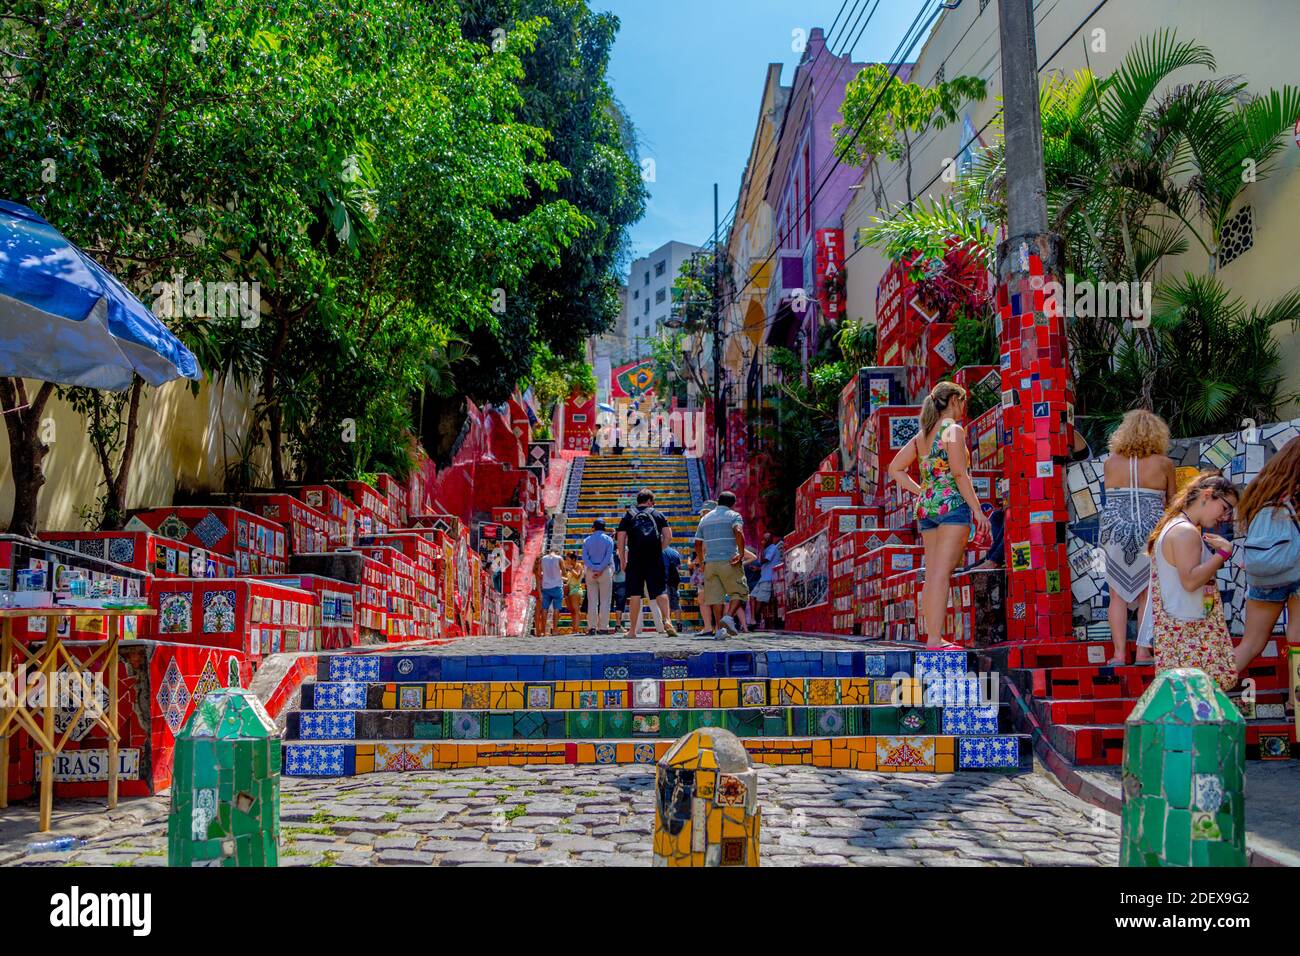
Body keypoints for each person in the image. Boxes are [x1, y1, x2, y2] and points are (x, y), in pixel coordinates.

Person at [887, 381, 990, 650]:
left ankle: (932, 637)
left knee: (933, 573)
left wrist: (921, 490)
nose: (964, 407)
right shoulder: (952, 431)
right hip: (952, 507)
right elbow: (959, 474)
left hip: (928, 508)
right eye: (963, 400)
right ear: (953, 400)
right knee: (942, 574)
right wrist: (978, 510)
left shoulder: (923, 435)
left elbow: (895, 468)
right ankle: (935, 639)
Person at [1140, 472, 1239, 691]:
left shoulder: (1175, 526)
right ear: (1207, 495)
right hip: (1190, 633)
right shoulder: (1185, 532)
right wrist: (1223, 554)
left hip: (1178, 632)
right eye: (1225, 508)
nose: (1225, 517)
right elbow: (1191, 581)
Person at [1097, 409, 1178, 666]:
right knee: (1147, 592)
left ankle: (1119, 654)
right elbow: (1173, 502)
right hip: (1150, 527)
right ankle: (1143, 652)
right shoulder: (1164, 463)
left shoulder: (1110, 462)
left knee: (1116, 595)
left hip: (1114, 528)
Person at [1233, 436, 1300, 674]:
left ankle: (1200, 697)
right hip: (1296, 571)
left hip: (1265, 574)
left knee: (1250, 644)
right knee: (1298, 640)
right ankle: (1296, 704)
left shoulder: (1263, 491)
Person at [616, 489, 677, 637]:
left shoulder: (628, 514)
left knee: (635, 594)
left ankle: (632, 631)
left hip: (635, 558)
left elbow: (621, 540)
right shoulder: (657, 514)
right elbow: (668, 536)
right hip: (654, 558)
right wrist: (658, 549)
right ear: (649, 500)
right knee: (660, 590)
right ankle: (667, 620)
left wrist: (623, 560)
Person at [693, 490, 749, 638]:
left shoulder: (704, 519)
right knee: (740, 591)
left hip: (710, 562)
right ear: (733, 504)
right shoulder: (734, 516)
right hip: (729, 560)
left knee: (715, 598)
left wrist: (702, 561)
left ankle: (719, 631)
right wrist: (741, 553)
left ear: (718, 502)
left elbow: (697, 543)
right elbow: (738, 531)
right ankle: (729, 616)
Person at [581, 518, 616, 634]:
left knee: (592, 600)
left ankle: (591, 627)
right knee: (605, 600)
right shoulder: (609, 540)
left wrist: (594, 568)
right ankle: (603, 627)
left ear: (593, 527)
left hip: (591, 571)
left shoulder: (587, 540)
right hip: (605, 570)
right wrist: (600, 568)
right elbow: (608, 557)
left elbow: (585, 558)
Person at [751, 533, 781, 629]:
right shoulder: (767, 549)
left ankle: (756, 620)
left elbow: (766, 560)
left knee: (761, 600)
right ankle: (753, 619)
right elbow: (767, 565)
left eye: (764, 540)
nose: (762, 542)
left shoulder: (772, 548)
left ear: (769, 541)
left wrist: (762, 549)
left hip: (768, 578)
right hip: (763, 578)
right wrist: (757, 569)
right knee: (752, 596)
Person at [536, 547, 564, 636]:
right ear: (556, 552)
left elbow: (539, 573)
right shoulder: (559, 558)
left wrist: (546, 575)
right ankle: (555, 630)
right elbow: (564, 572)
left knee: (544, 609)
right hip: (557, 586)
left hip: (546, 587)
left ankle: (544, 631)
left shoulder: (543, 559)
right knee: (556, 609)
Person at [561, 552, 585, 634]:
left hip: (576, 589)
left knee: (576, 610)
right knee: (571, 610)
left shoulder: (578, 566)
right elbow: (568, 580)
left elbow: (578, 575)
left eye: (568, 559)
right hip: (569, 590)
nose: (566, 561)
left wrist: (570, 569)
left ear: (573, 559)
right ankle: (574, 628)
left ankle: (576, 629)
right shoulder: (570, 569)